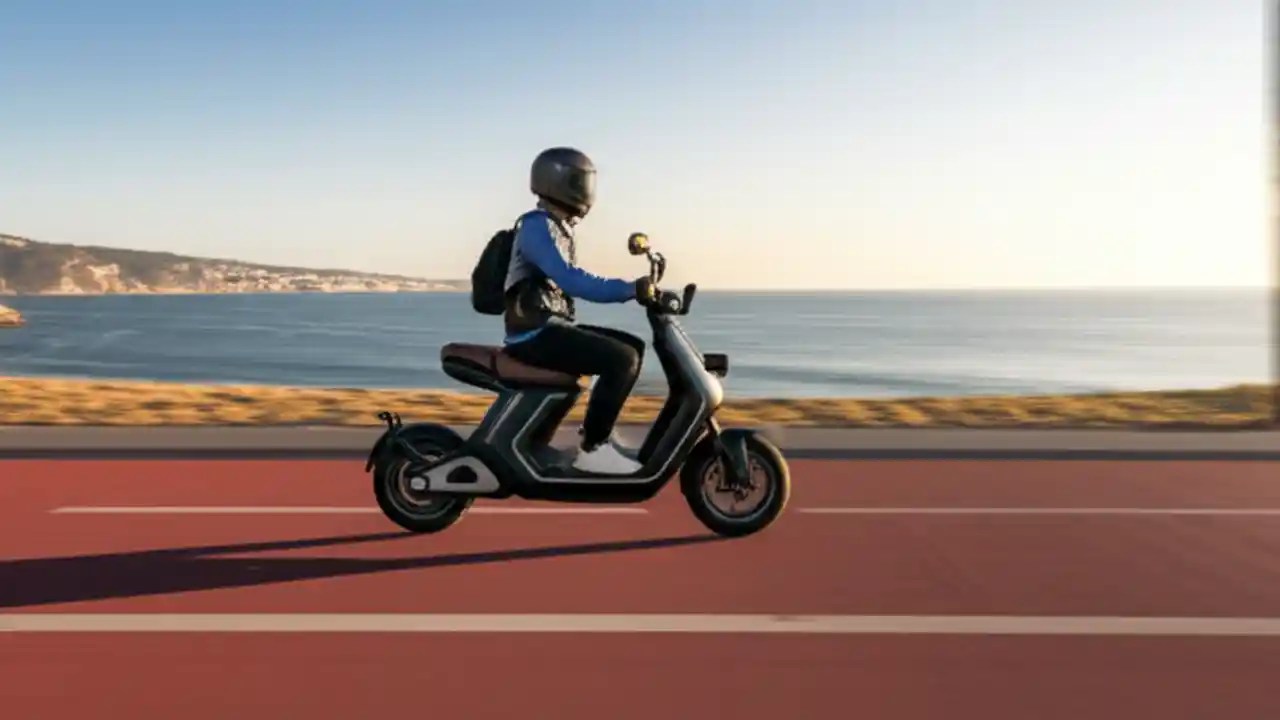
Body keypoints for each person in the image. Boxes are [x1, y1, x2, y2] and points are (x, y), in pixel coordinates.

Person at [501, 146, 657, 474]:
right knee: (621, 359)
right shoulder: (537, 227)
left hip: (549, 328)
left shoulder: (556, 226)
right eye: (579, 181)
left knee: (633, 347)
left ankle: (596, 435)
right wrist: (628, 289)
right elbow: (572, 280)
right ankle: (593, 449)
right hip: (533, 334)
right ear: (558, 182)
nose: (586, 191)